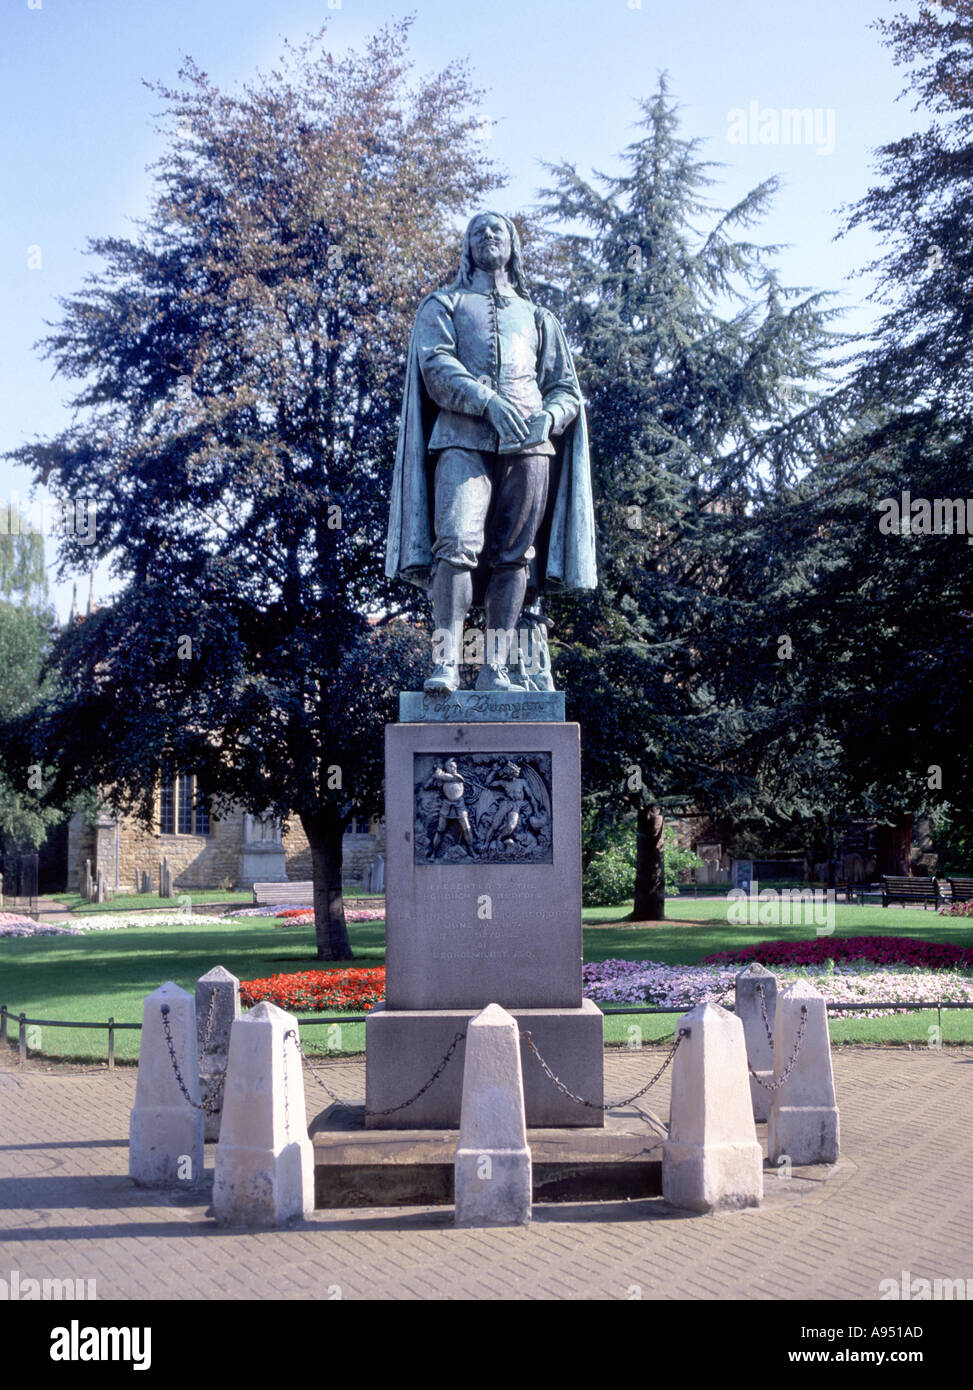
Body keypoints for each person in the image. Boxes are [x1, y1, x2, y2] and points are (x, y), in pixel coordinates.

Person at [386, 212, 597, 693]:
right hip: (462, 439)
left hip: (530, 446)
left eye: (497, 230)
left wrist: (548, 418)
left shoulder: (540, 318)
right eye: (477, 231)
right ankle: (445, 664)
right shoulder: (443, 304)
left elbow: (565, 388)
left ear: (513, 245)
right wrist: (487, 401)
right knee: (456, 545)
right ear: (466, 247)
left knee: (514, 558)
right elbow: (436, 366)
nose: (487, 236)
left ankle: (494, 669)